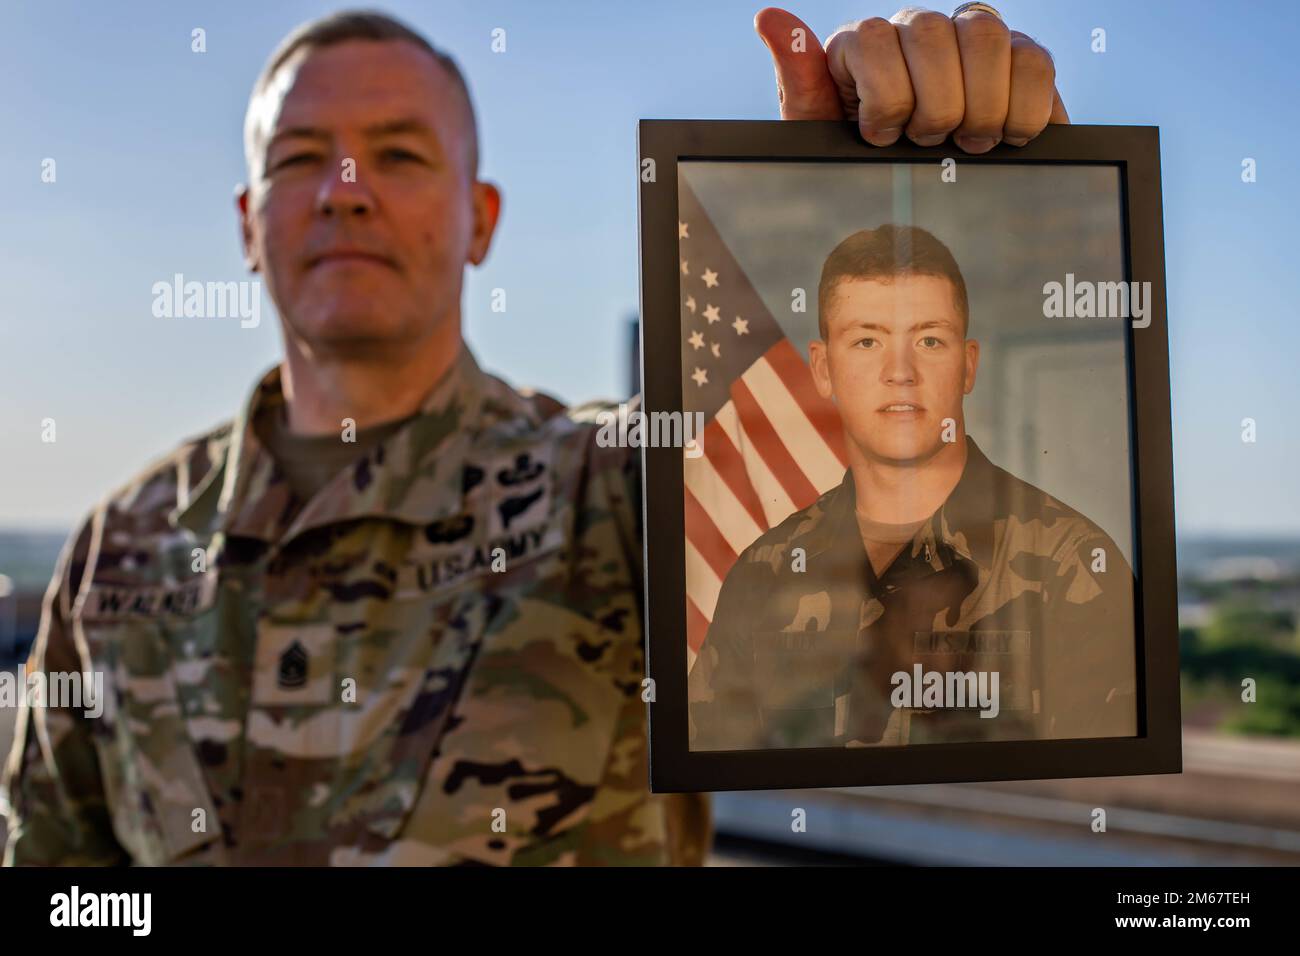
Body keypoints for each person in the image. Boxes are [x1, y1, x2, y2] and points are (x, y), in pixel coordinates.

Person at [2, 5, 1072, 864]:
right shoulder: (121, 551)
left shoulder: (610, 495)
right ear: (246, 223)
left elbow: (903, 588)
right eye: (298, 159)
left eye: (400, 154)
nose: (345, 191)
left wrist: (868, 180)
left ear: (482, 219)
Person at [689, 224, 1138, 751]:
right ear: (823, 368)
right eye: (866, 341)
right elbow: (719, 772)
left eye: (929, 340)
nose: (899, 371)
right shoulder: (765, 570)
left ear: (967, 365)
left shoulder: (1072, 564)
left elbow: (1090, 795)